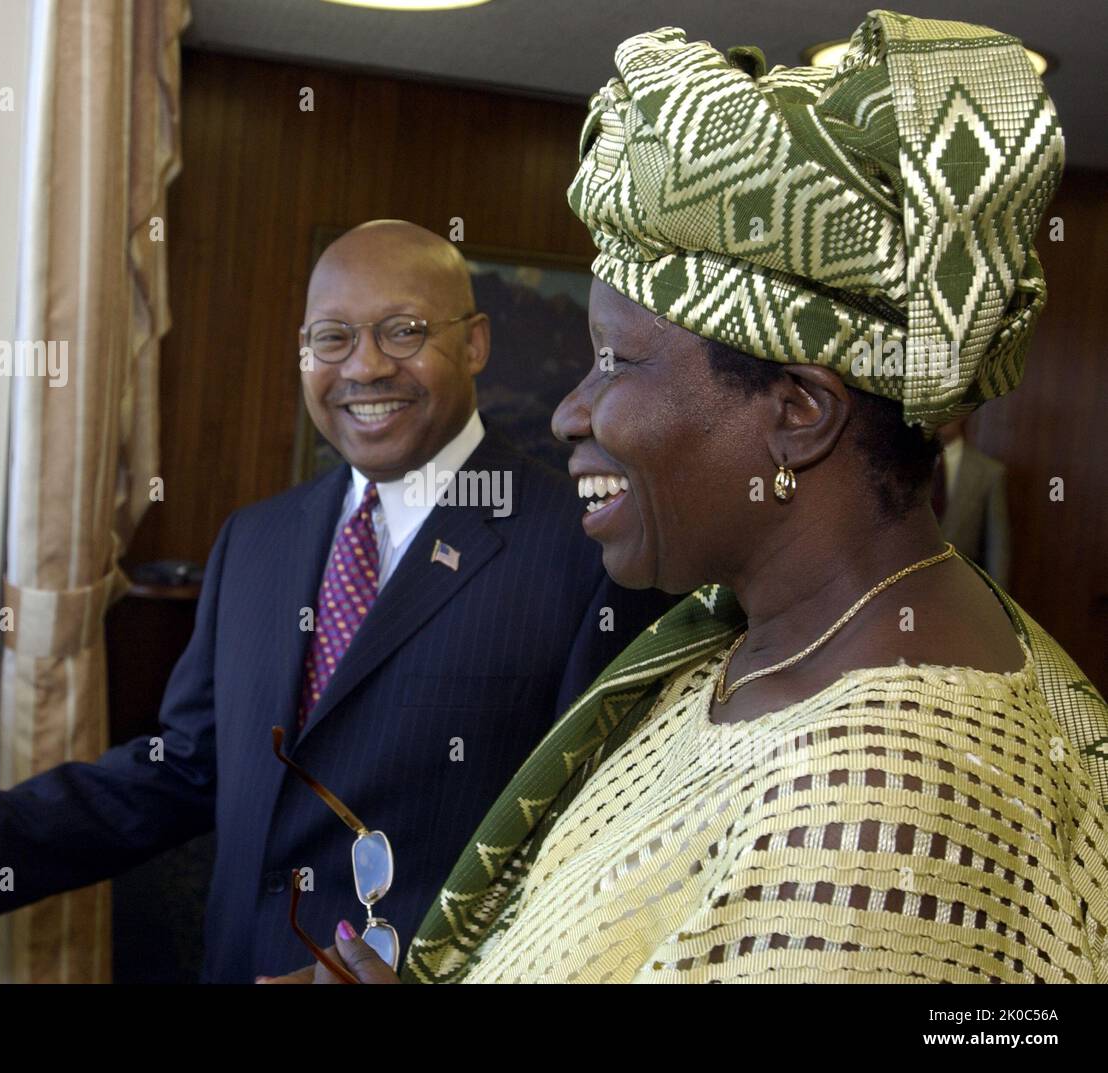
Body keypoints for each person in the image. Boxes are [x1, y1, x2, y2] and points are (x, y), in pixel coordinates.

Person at [265, 13, 1108, 985]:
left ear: (797, 412)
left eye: (615, 362)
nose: (570, 412)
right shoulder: (757, 636)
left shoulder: (886, 829)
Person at [0, 220, 673, 983]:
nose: (364, 367)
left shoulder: (584, 551)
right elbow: (187, 767)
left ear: (477, 342)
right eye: (332, 337)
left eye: (404, 330)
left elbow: (600, 847)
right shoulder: (256, 540)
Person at [932, 418, 1011, 586]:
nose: (946, 414)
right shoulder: (904, 466)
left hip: (964, 590)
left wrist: (998, 602)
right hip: (908, 588)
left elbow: (997, 546)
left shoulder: (990, 472)